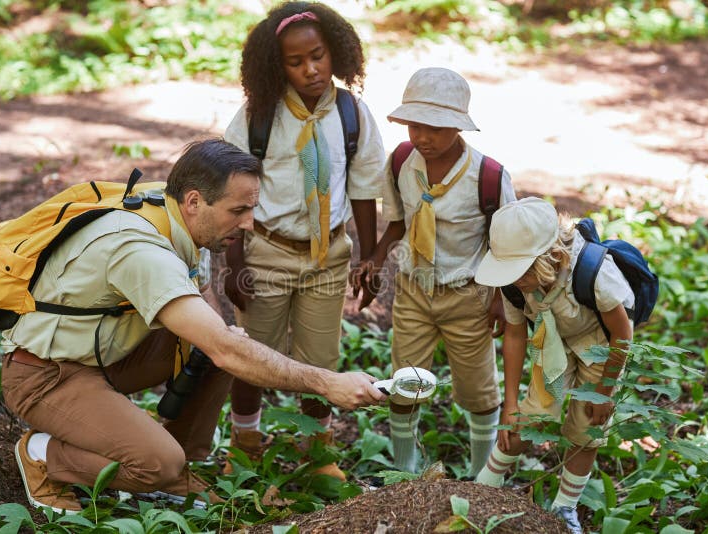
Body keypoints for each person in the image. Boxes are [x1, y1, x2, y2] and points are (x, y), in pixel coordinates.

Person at [1, 138, 385, 514]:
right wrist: (326, 382)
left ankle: (176, 471)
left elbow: (204, 300)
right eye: (238, 210)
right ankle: (43, 455)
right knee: (161, 456)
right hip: (47, 377)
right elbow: (225, 347)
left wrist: (220, 336)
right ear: (195, 201)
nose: (250, 223)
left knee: (219, 345)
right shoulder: (141, 251)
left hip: (99, 357)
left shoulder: (173, 211)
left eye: (252, 208)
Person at [222, 1, 385, 480]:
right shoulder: (258, 116)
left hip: (327, 255)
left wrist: (368, 259)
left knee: (321, 360)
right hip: (265, 251)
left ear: (335, 52)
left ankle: (317, 455)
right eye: (295, 62)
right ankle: (245, 445)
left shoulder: (352, 115)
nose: (310, 69)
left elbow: (364, 188)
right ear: (277, 66)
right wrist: (234, 262)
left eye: (317, 55)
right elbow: (230, 189)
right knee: (254, 355)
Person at [350, 67, 516, 478]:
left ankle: (483, 473)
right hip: (414, 291)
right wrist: (375, 256)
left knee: (479, 389)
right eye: (413, 126)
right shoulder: (404, 162)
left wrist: (501, 299)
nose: (422, 137)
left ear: (458, 126)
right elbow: (399, 219)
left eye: (434, 129)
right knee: (405, 380)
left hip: (468, 294)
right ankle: (405, 469)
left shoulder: (488, 177)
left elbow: (507, 245)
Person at [474, 198, 634, 534]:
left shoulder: (593, 273)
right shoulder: (514, 284)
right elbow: (515, 336)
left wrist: (603, 392)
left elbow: (622, 333)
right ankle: (480, 491)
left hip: (598, 347)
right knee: (527, 417)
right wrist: (511, 402)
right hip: (551, 342)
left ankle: (565, 508)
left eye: (519, 271)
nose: (512, 279)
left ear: (546, 258)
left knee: (585, 429)